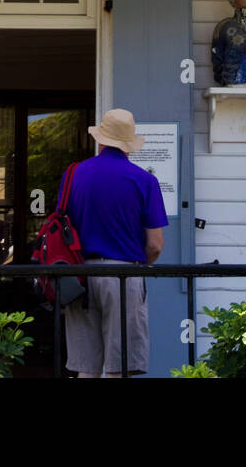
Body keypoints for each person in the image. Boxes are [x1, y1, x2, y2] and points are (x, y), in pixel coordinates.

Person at [63, 108, 168, 377]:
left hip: (79, 276)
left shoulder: (73, 174)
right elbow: (155, 244)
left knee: (86, 368)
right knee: (119, 367)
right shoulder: (145, 180)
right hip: (123, 275)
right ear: (128, 146)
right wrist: (139, 265)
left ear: (100, 140)